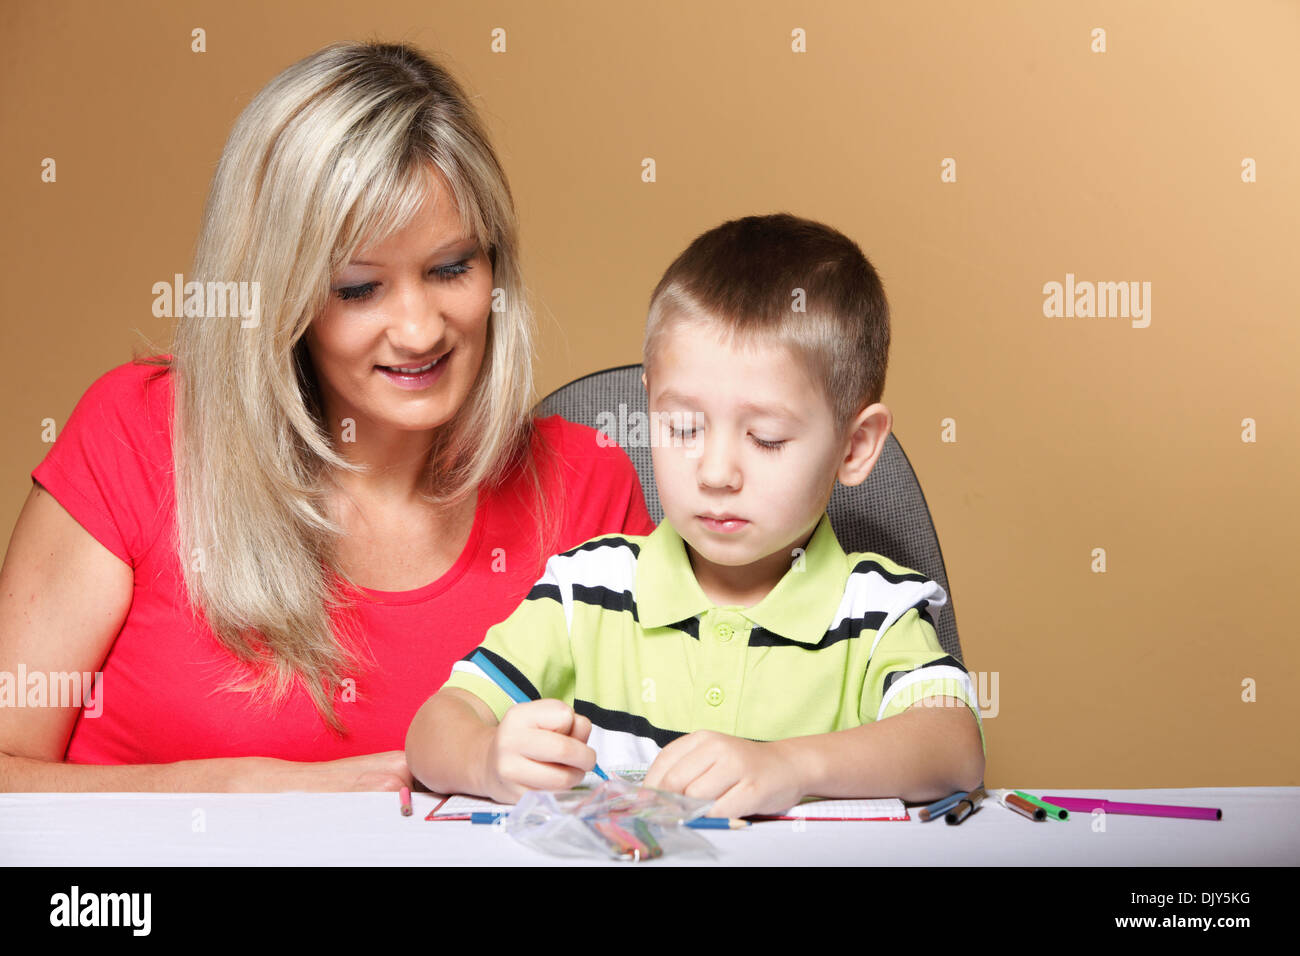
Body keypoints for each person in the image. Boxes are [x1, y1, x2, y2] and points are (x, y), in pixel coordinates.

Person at [0, 42, 654, 792]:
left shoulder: (585, 482)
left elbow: (635, 785)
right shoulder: (138, 434)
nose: (418, 330)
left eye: (451, 269)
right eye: (357, 289)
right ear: (280, 298)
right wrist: (248, 791)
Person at [406, 213, 985, 818]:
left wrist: (788, 766)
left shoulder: (876, 613)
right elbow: (433, 729)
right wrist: (486, 758)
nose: (715, 473)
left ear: (855, 445)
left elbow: (954, 746)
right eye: (682, 427)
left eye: (765, 437)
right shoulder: (586, 589)